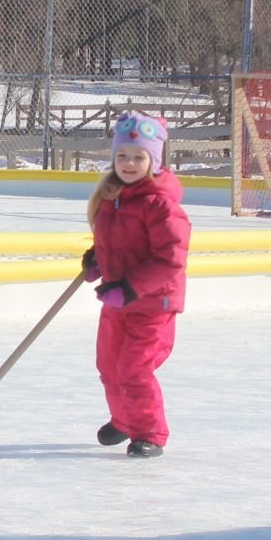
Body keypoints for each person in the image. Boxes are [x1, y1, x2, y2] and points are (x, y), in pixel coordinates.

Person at [81, 112, 191, 459]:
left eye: (139, 157)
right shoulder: (112, 198)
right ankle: (124, 419)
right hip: (118, 300)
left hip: (153, 304)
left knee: (134, 368)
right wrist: (97, 258)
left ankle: (150, 432)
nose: (129, 164)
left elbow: (171, 258)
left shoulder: (160, 204)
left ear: (154, 161)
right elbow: (116, 241)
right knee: (109, 366)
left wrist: (129, 287)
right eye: (122, 156)